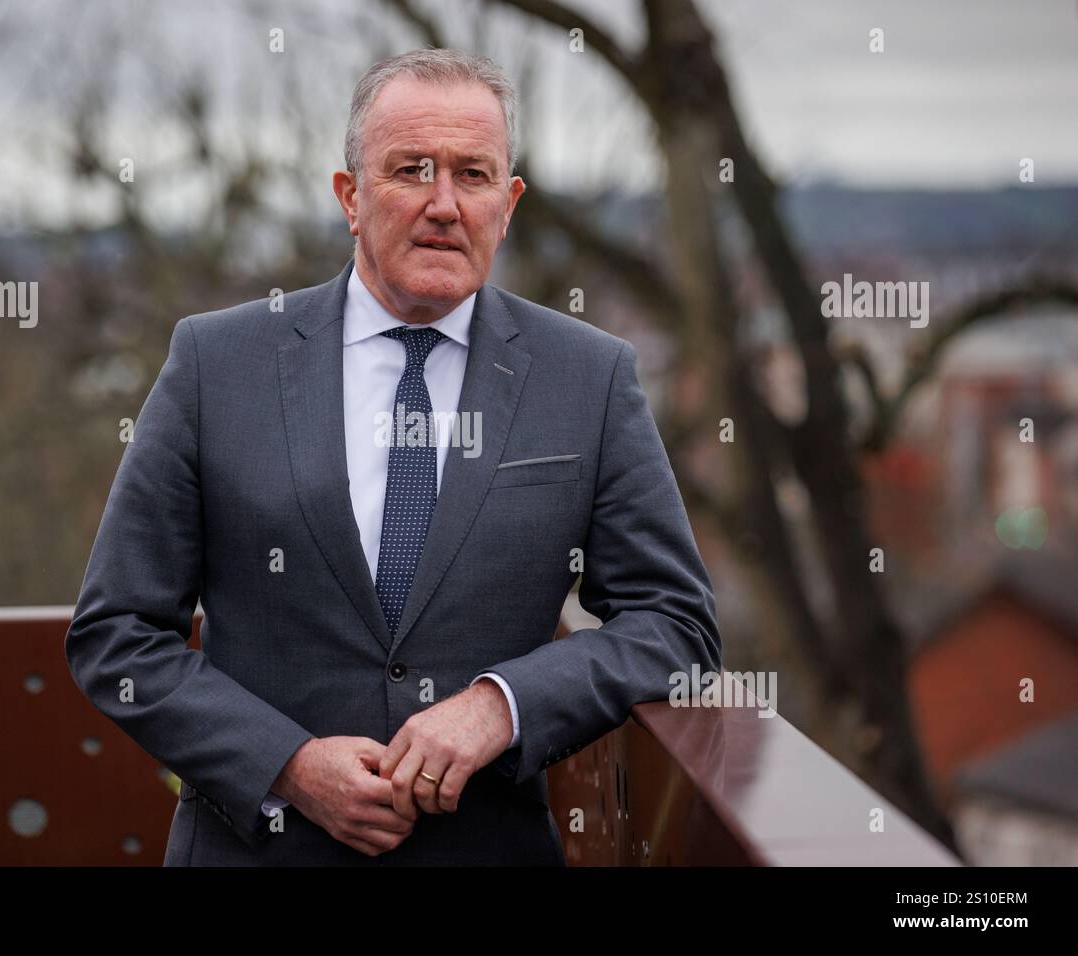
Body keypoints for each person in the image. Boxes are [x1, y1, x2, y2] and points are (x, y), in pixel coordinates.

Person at [65, 48, 721, 866]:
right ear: (350, 196)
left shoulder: (588, 379)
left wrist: (503, 705)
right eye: (412, 170)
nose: (444, 204)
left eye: (473, 175)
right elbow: (116, 633)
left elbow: (676, 624)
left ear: (508, 203)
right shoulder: (216, 365)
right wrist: (289, 766)